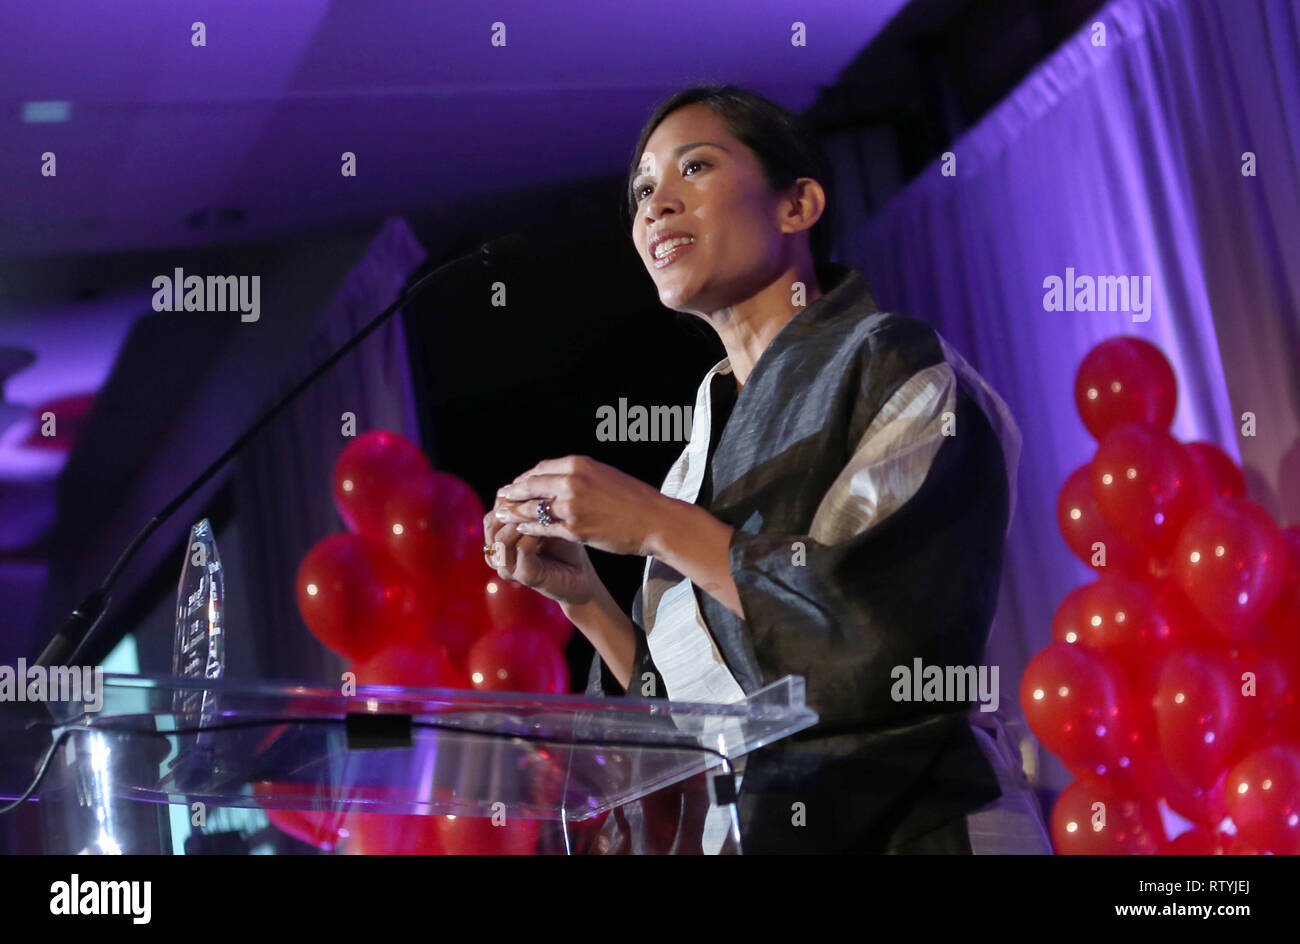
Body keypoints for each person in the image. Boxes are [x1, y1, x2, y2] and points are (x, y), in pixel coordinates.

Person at [483, 84, 1050, 854]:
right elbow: (697, 724)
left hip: (921, 826)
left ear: (798, 205)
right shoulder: (699, 450)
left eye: (696, 168)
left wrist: (654, 524)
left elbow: (880, 638)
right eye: (643, 190)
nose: (655, 205)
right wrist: (585, 602)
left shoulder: (893, 363)